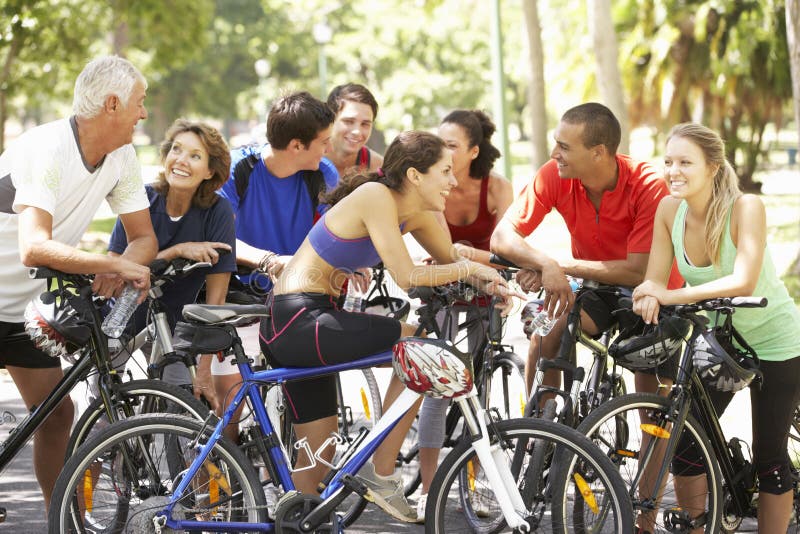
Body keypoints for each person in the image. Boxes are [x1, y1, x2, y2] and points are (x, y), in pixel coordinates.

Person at [260, 131, 518, 522]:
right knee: (420, 351)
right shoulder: (376, 197)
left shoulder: (416, 213)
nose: (454, 181)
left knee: (317, 462)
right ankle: (384, 475)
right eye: (445, 172)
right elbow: (407, 274)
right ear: (415, 175)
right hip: (295, 318)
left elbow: (448, 257)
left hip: (314, 320)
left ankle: (298, 521)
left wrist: (493, 280)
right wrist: (469, 268)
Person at [0, 55, 157, 511]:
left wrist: (119, 264)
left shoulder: (122, 155)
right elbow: (34, 246)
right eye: (139, 102)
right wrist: (106, 262)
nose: (144, 112)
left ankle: (59, 519)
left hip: (23, 311)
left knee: (55, 414)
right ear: (112, 104)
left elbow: (144, 237)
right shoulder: (47, 146)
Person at [631, 122, 800, 534]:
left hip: (777, 343)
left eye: (685, 162)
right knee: (687, 444)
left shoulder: (747, 208)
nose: (673, 170)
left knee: (769, 457)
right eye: (668, 161)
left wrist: (671, 296)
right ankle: (697, 526)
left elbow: (743, 280)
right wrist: (648, 293)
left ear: (712, 166)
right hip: (724, 343)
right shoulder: (670, 210)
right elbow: (655, 277)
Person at [491, 102, 684, 397]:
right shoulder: (554, 174)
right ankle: (539, 435)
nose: (555, 154)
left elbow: (637, 271)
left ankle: (652, 444)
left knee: (651, 393)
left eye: (564, 147)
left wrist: (557, 266)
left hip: (652, 293)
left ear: (598, 152)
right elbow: (502, 237)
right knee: (544, 337)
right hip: (596, 287)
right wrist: (545, 265)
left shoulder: (648, 185)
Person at [216, 91, 337, 436]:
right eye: (323, 142)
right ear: (297, 146)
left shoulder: (322, 173)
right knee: (230, 408)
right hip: (239, 294)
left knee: (307, 396)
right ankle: (219, 481)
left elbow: (334, 232)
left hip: (295, 296)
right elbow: (220, 238)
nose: (328, 149)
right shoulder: (237, 168)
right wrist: (267, 260)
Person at [415, 109, 514, 519]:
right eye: (441, 144)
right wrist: (485, 274)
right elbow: (441, 253)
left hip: (487, 297)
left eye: (453, 145)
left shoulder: (497, 189)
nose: (445, 152)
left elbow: (511, 249)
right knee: (437, 393)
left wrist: (495, 279)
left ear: (474, 151)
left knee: (480, 392)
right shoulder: (433, 187)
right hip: (444, 292)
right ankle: (428, 489)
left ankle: (475, 486)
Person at [107, 119, 236, 417]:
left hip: (177, 331)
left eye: (195, 155)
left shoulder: (218, 212)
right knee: (103, 418)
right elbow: (115, 271)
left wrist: (204, 369)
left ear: (210, 171)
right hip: (123, 318)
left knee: (185, 413)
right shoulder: (141, 199)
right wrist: (177, 251)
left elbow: (215, 302)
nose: (181, 160)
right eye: (176, 150)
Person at [325, 83, 384, 177]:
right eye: (348, 121)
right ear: (330, 120)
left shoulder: (379, 168)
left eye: (365, 124)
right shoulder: (306, 160)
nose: (357, 131)